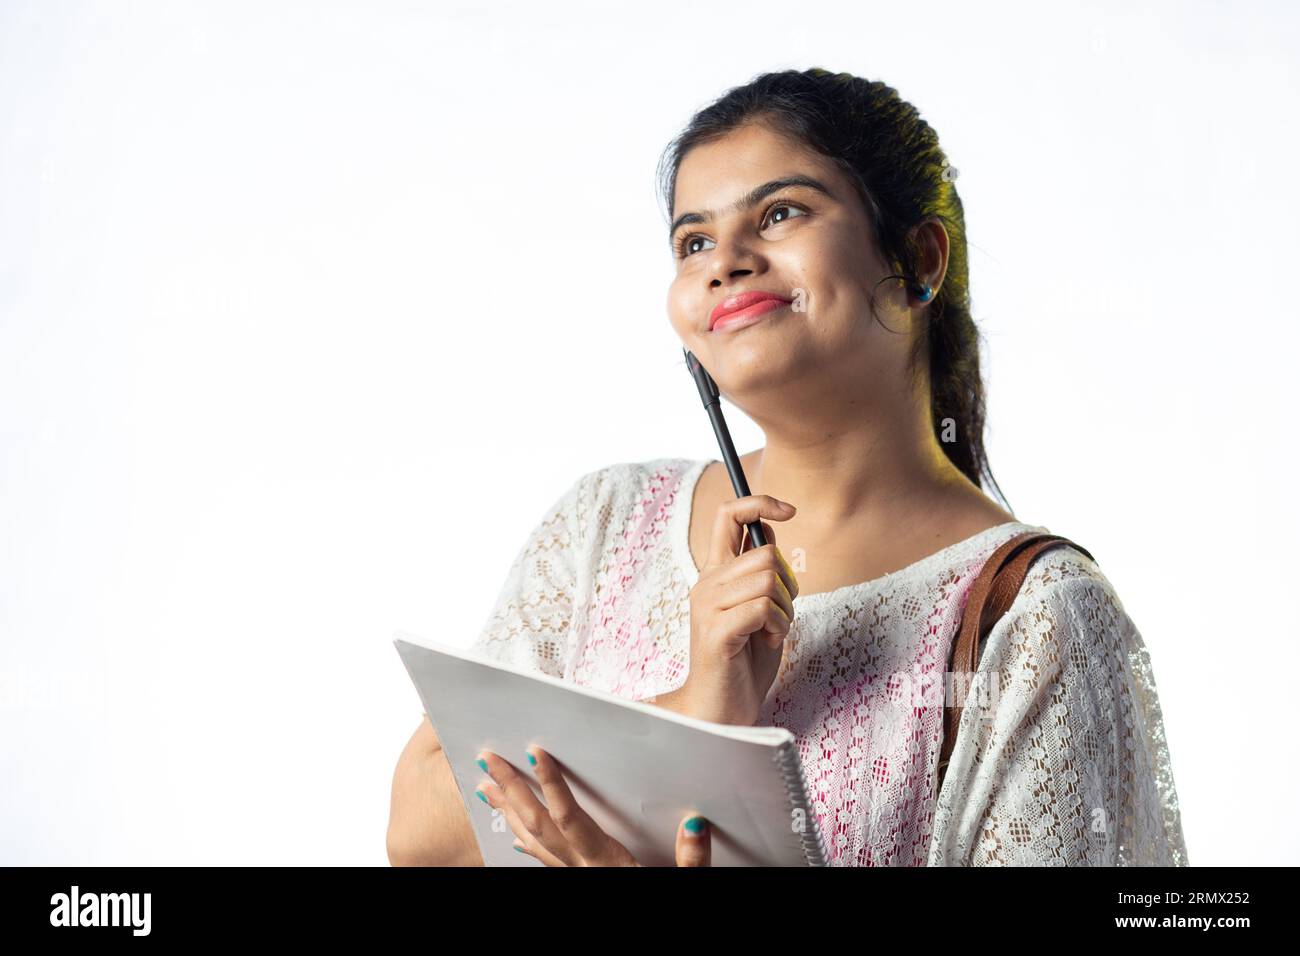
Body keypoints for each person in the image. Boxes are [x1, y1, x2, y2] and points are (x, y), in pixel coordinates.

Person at [386, 67, 1188, 867]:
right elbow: (419, 838)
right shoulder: (606, 521)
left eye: (779, 213)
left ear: (919, 258)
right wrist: (693, 713)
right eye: (693, 239)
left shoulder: (1039, 618)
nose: (722, 261)